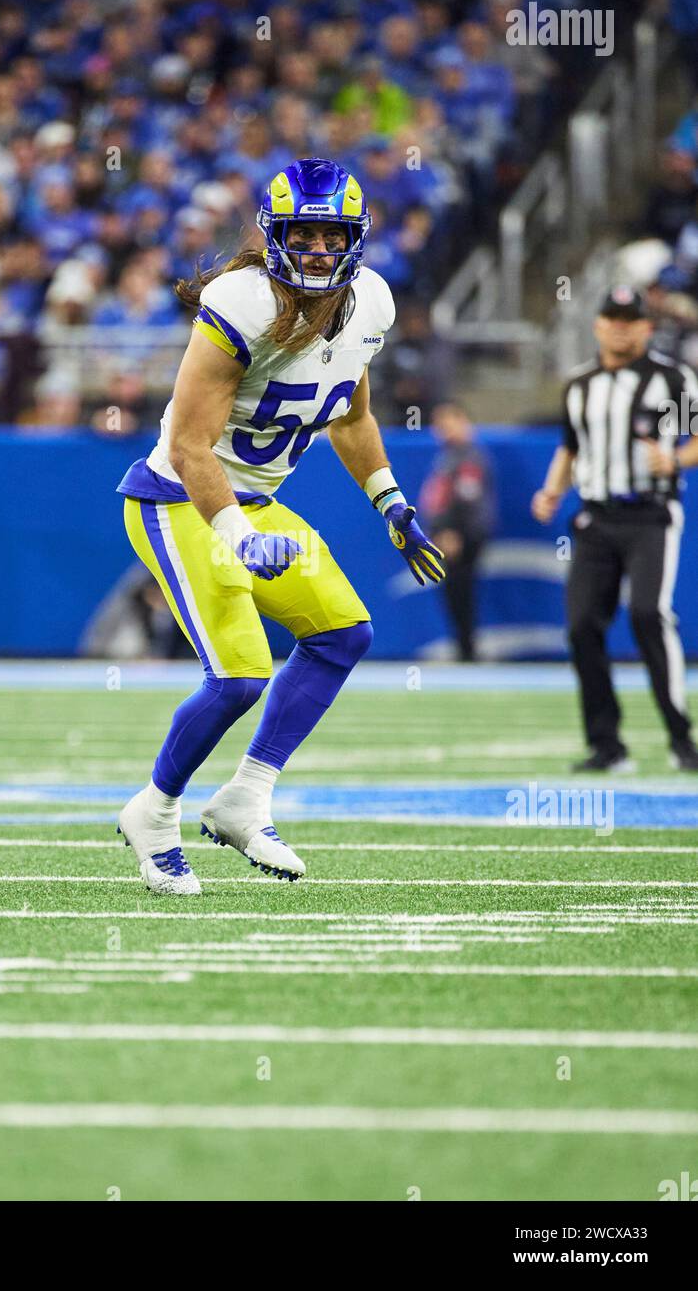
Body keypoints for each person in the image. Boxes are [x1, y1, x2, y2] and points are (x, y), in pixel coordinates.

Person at [117, 157, 446, 894]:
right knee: (238, 677)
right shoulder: (242, 303)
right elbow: (188, 447)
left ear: (356, 240)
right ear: (275, 236)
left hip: (259, 502)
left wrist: (391, 501)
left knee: (342, 633)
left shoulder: (370, 305)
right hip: (178, 498)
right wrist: (236, 535)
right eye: (305, 234)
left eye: (334, 237)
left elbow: (352, 414)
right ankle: (155, 811)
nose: (321, 251)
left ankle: (245, 797)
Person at [532, 286, 698, 772]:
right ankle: (607, 745)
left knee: (648, 615)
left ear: (647, 327)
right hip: (595, 517)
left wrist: (675, 459)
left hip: (650, 513)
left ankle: (680, 738)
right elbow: (570, 447)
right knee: (583, 626)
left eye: (631, 319)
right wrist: (551, 490)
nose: (621, 326)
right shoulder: (580, 383)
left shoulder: (671, 378)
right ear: (598, 324)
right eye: (613, 318)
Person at [421, 402, 495, 661]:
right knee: (455, 590)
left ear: (461, 420)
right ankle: (464, 647)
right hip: (456, 531)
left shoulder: (468, 455)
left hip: (462, 533)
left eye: (446, 422)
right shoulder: (452, 453)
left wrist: (452, 531)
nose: (440, 429)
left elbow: (466, 497)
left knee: (460, 589)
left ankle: (467, 649)